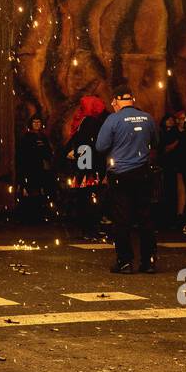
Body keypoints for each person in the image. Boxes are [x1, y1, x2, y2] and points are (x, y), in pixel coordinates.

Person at [96, 87, 157, 273]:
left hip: (120, 175)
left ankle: (125, 262)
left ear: (116, 101)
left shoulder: (113, 119)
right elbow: (156, 142)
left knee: (122, 220)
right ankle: (148, 262)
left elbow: (100, 146)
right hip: (143, 173)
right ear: (133, 99)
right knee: (146, 219)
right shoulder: (147, 118)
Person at [62, 95, 108, 240]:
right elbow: (88, 143)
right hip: (89, 163)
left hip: (85, 161)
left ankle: (88, 228)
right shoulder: (91, 121)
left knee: (85, 196)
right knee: (90, 196)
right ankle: (90, 229)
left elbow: (83, 142)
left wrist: (76, 154)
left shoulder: (84, 121)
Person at [15, 114, 55, 223]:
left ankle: (40, 215)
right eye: (34, 122)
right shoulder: (26, 137)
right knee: (31, 191)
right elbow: (22, 154)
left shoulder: (44, 137)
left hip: (42, 168)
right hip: (30, 168)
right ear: (30, 124)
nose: (37, 124)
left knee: (41, 191)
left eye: (39, 122)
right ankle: (30, 216)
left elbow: (48, 152)